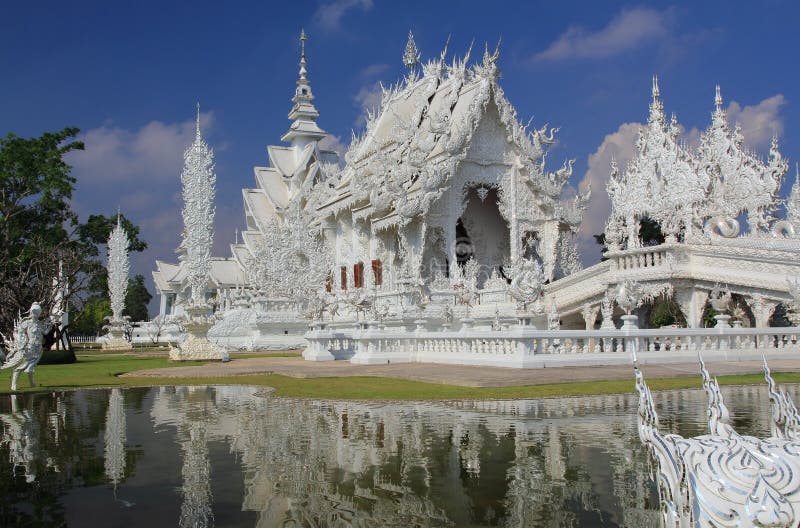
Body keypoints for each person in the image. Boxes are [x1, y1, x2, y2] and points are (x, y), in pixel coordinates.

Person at [1, 302, 60, 391]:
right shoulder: (26, 323)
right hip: (29, 348)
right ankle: (14, 384)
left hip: (38, 349)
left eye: (37, 313)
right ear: (31, 313)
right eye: (34, 312)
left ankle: (32, 384)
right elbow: (19, 332)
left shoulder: (40, 324)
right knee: (21, 366)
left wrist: (52, 323)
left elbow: (45, 332)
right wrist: (22, 344)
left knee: (31, 367)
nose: (35, 315)